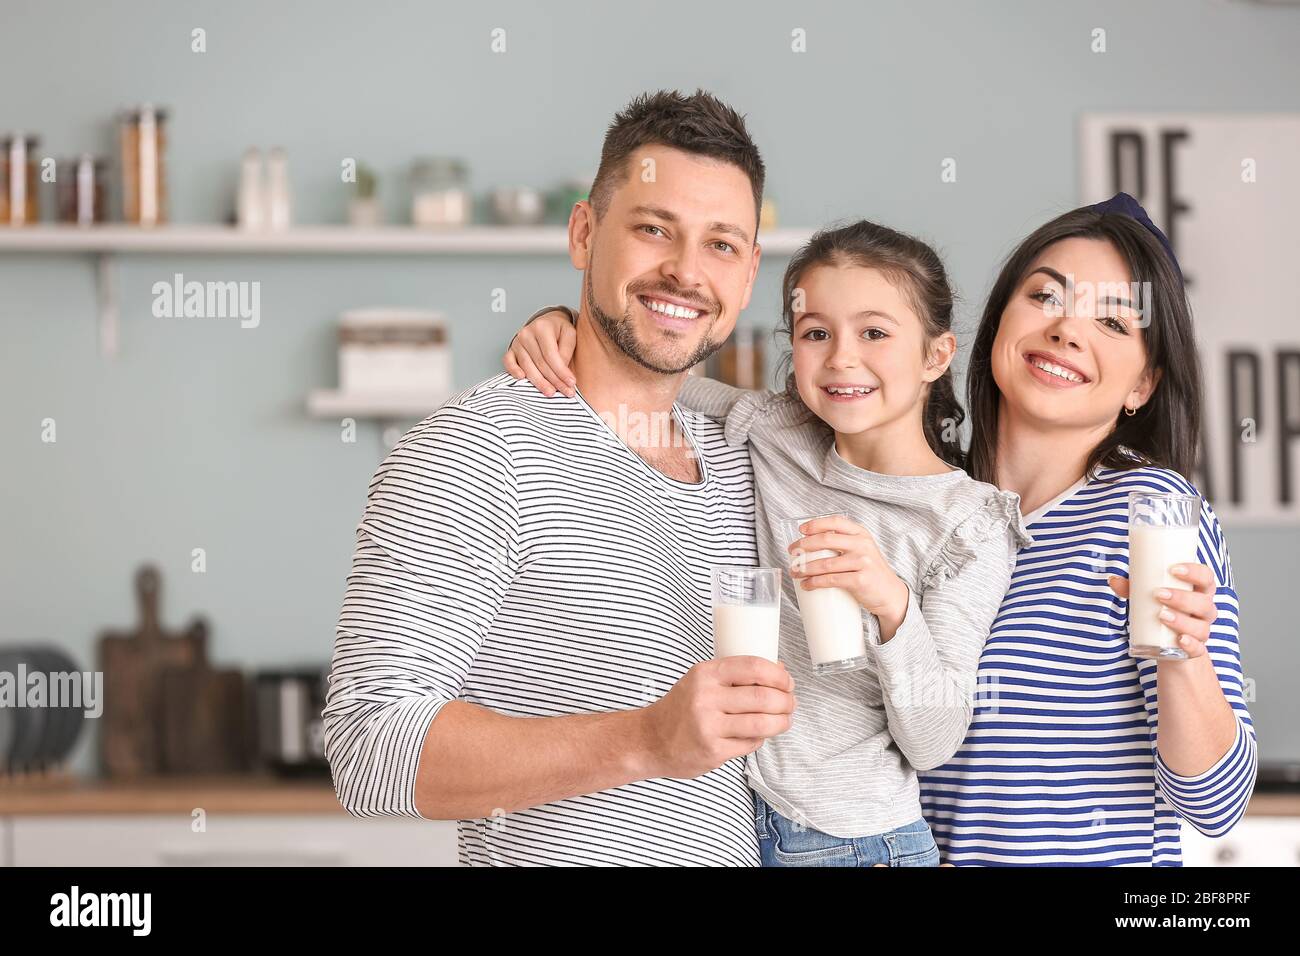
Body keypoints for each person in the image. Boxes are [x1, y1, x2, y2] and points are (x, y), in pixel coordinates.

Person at [321, 89, 795, 866]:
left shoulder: (752, 462)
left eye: (720, 245)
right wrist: (645, 739)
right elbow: (369, 744)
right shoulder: (477, 449)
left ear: (747, 278)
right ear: (584, 233)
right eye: (653, 229)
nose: (684, 272)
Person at [508, 219, 1029, 866]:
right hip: (727, 826)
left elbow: (934, 741)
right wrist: (561, 325)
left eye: (874, 332)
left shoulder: (967, 524)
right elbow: (639, 377)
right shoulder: (777, 430)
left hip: (859, 845)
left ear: (935, 354)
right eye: (816, 333)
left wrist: (891, 603)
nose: (841, 357)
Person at [917, 194, 1258, 865]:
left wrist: (1184, 658)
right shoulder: (925, 508)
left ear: (1144, 384)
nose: (1068, 331)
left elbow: (1217, 804)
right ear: (997, 325)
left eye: (1111, 322)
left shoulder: (1149, 511)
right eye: (1046, 297)